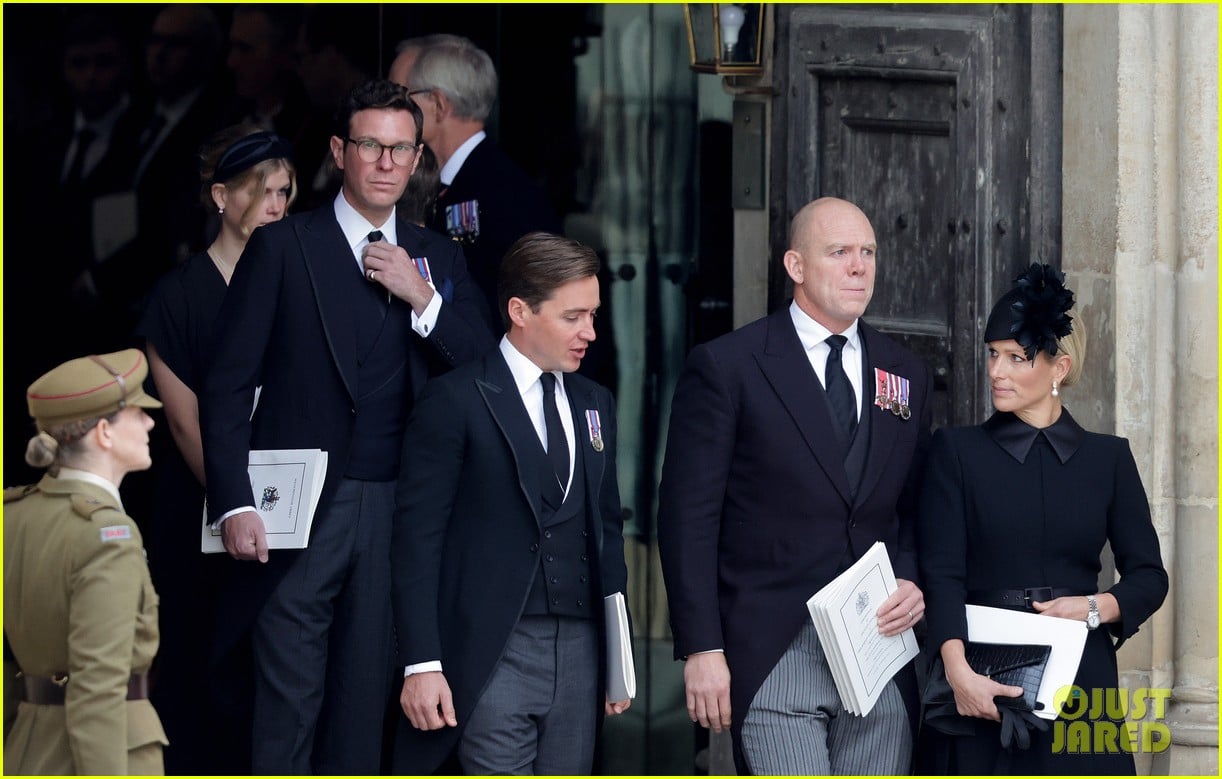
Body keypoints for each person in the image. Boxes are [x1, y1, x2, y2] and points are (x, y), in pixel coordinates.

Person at [199, 78, 496, 774]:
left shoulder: (437, 256)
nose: (387, 162)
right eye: (371, 145)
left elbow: (487, 365)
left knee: (364, 713)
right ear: (339, 151)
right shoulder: (282, 246)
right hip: (297, 513)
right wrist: (235, 499)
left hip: (396, 507)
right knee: (288, 709)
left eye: (401, 148)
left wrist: (422, 297)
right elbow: (227, 382)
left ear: (419, 155)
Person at [657, 196, 934, 774]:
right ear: (795, 266)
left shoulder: (904, 372)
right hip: (773, 645)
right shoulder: (728, 367)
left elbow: (914, 506)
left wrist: (910, 576)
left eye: (868, 253)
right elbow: (688, 520)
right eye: (839, 253)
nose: (860, 266)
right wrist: (703, 647)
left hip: (876, 648)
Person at [391, 231, 631, 774]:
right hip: (492, 648)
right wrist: (422, 663)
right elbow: (416, 541)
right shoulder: (456, 398)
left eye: (593, 315)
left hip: (582, 650)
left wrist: (618, 657)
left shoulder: (596, 402)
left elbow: (607, 530)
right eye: (574, 317)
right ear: (520, 311)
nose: (591, 333)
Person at [915, 264, 1168, 774]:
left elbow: (1149, 577)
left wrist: (1093, 607)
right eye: (992, 355)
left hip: (1082, 677)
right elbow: (941, 573)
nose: (996, 371)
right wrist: (957, 670)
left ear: (1059, 368)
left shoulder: (1108, 459)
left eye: (1016, 357)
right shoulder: (956, 451)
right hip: (980, 673)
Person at [134, 123, 296, 774]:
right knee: (198, 674)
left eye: (286, 191)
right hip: (202, 511)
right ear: (222, 196)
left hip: (286, 510)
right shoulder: (177, 297)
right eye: (263, 192)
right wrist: (239, 505)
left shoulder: (297, 281)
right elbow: (184, 424)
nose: (278, 206)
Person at [3, 349, 167, 774]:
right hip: (99, 758)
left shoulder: (11, 515)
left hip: (26, 749)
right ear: (103, 433)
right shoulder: (106, 536)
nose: (151, 421)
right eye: (137, 412)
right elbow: (97, 689)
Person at [391, 34, 562, 318]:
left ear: (438, 105)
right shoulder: (459, 180)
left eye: (401, 97)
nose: (391, 109)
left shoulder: (502, 192)